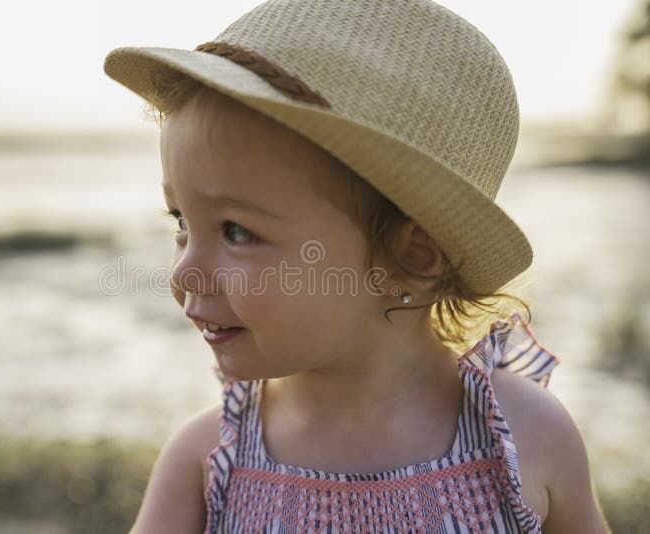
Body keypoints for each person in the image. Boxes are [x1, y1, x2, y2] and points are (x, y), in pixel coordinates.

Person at [103, 0, 612, 532]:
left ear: (413, 255)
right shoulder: (205, 465)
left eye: (236, 231)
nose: (184, 273)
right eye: (181, 219)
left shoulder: (523, 441)